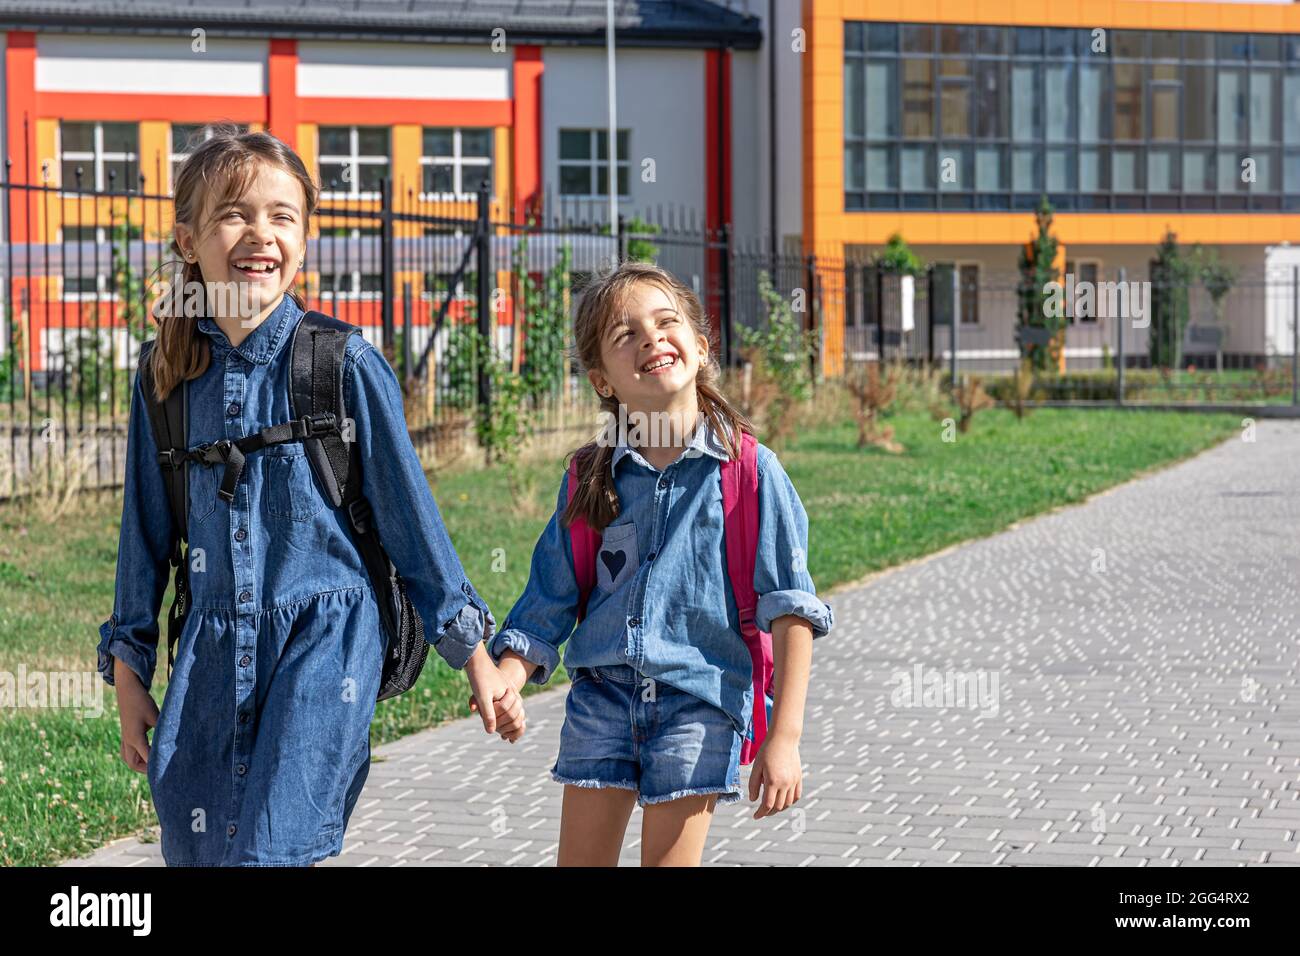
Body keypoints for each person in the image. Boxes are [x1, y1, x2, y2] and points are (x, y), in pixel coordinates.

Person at [96, 125, 522, 867]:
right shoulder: (161, 378)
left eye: (282, 215)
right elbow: (145, 534)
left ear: (304, 238)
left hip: (326, 649)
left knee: (271, 850)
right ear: (189, 239)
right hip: (210, 649)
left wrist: (475, 656)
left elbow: (411, 523)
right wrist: (130, 675)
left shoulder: (342, 362)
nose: (261, 232)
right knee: (200, 852)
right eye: (234, 213)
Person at [487, 260, 834, 866]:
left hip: (696, 705)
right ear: (602, 379)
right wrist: (510, 679)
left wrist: (786, 738)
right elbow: (550, 598)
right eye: (626, 335)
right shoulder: (590, 478)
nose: (651, 338)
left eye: (665, 322)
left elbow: (791, 611)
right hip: (601, 701)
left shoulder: (750, 474)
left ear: (700, 348)